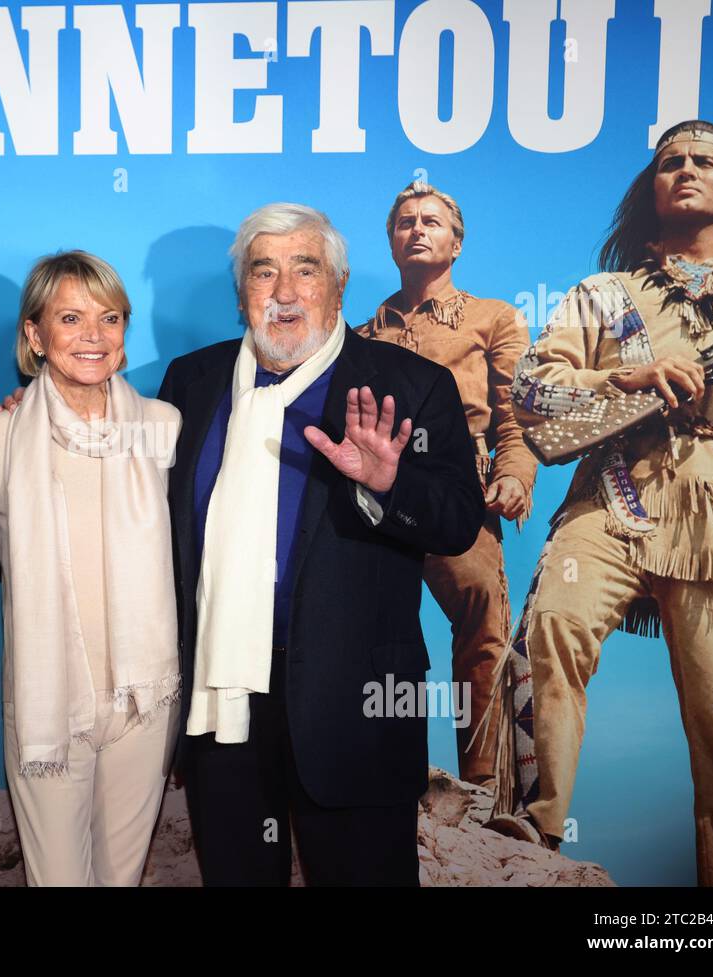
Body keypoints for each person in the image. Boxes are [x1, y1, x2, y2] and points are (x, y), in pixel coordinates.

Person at [157, 202, 484, 885]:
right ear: (241, 290)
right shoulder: (191, 382)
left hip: (355, 707)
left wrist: (388, 487)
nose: (282, 292)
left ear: (338, 288)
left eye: (304, 270)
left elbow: (456, 522)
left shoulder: (412, 386)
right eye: (262, 271)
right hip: (225, 706)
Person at [491, 120, 713, 885]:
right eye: (669, 162)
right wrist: (628, 380)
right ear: (650, 190)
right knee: (550, 628)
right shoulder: (602, 295)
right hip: (611, 495)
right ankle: (529, 832)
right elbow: (531, 389)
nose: (684, 170)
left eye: (703, 160)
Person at [0, 250, 182, 886]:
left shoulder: (163, 426)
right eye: (70, 318)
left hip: (144, 702)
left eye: (110, 318)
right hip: (47, 703)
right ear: (35, 336)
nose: (94, 336)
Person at [357, 182, 536, 786]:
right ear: (390, 243)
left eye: (431, 221)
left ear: (456, 242)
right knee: (372, 626)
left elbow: (520, 411)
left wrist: (513, 474)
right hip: (377, 493)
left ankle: (485, 787)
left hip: (459, 491)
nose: (416, 229)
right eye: (404, 222)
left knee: (485, 612)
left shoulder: (494, 318)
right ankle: (380, 774)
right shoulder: (359, 336)